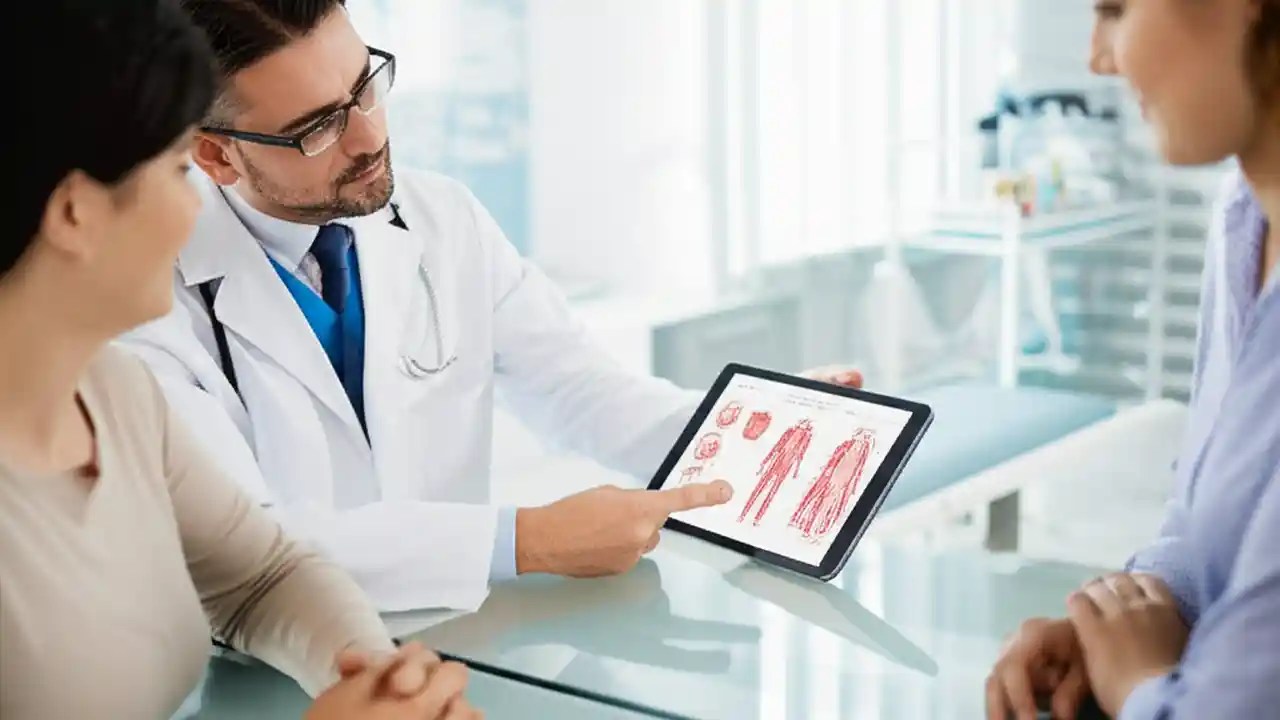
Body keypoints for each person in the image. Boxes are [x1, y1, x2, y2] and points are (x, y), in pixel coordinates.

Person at [123, 0, 865, 612]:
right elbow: (241, 544)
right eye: (319, 127)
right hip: (261, 676)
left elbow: (578, 389)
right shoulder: (138, 300)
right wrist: (526, 540)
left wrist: (752, 431)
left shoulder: (442, 218)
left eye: (366, 86)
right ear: (216, 155)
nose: (372, 136)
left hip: (450, 645)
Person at [0, 1, 478, 717]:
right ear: (75, 212)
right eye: (173, 170)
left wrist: (377, 681)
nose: (197, 210)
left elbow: (261, 576)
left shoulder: (115, 396)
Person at [986, 1, 1279, 718]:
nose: (1099, 57)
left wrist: (1145, 687)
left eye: (1116, 9)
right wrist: (1123, 624)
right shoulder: (1243, 212)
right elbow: (1213, 516)